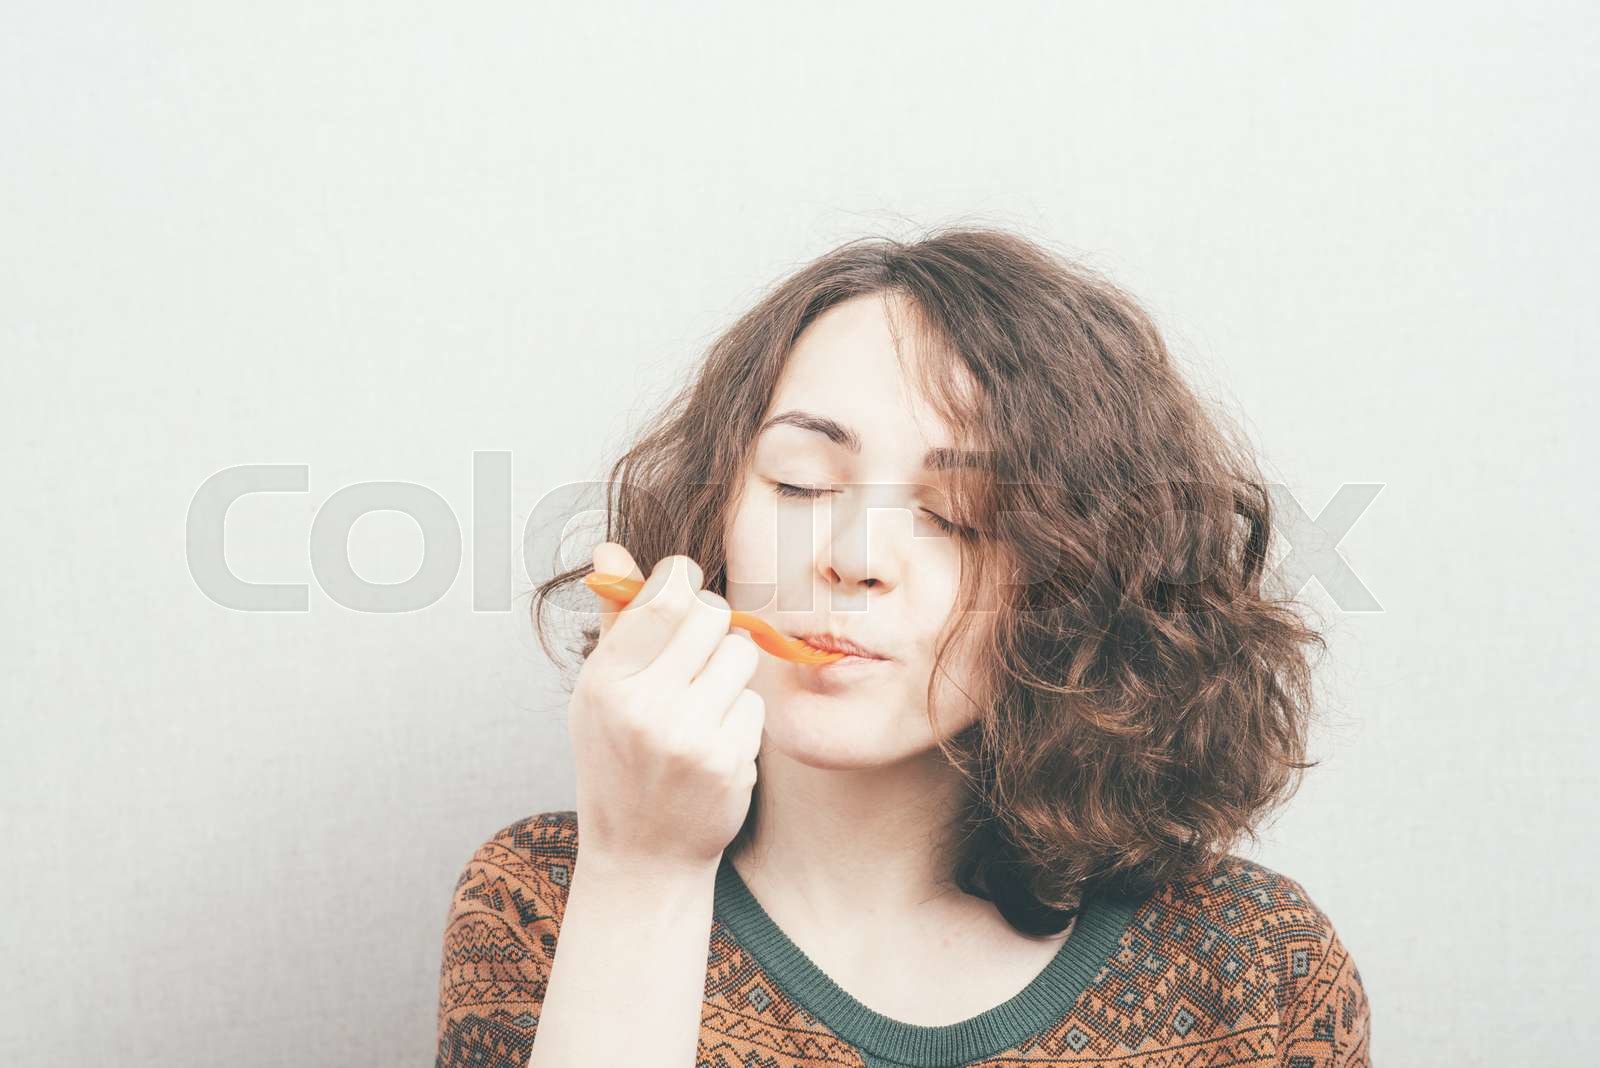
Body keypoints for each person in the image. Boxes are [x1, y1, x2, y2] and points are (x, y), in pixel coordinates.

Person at [434, 227, 1373, 1067]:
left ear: (1084, 585)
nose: (852, 559)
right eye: (801, 484)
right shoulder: (545, 904)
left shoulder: (1258, 966)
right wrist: (646, 870)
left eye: (957, 514)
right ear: (714, 514)